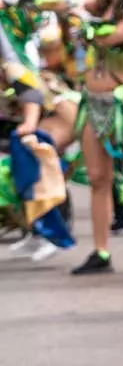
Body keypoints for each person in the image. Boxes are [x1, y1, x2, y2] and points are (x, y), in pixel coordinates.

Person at [66, 0, 123, 275]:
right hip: (93, 101)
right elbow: (69, 6)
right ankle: (101, 252)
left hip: (122, 103)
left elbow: (109, 37)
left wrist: (83, 23)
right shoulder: (104, 2)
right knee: (99, 179)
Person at [3, 61, 75, 262]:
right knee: (24, 175)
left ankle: (55, 236)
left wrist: (30, 123)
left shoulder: (12, 68)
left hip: (59, 117)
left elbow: (32, 93)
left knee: (43, 175)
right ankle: (36, 232)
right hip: (40, 121)